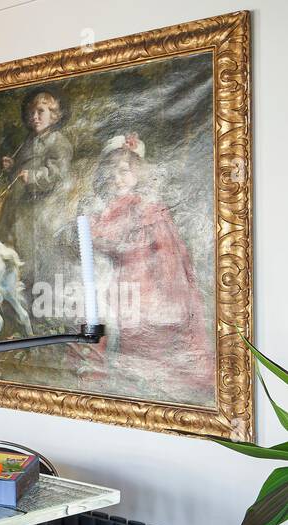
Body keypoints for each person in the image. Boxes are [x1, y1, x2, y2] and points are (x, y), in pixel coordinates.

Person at [89, 134, 211, 391]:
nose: (116, 178)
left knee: (138, 323)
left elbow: (163, 254)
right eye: (111, 172)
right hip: (114, 275)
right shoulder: (104, 208)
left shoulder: (144, 208)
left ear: (137, 174)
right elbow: (99, 238)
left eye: (124, 171)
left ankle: (140, 372)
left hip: (143, 276)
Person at [0, 88, 75, 307]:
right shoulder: (28, 142)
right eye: (31, 113)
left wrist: (34, 176)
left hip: (45, 211)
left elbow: (57, 174)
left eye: (41, 111)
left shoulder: (59, 142)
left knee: (41, 260)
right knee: (21, 256)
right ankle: (23, 309)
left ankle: (45, 311)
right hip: (23, 210)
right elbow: (22, 172)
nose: (34, 117)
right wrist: (13, 168)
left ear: (54, 115)